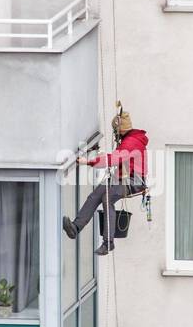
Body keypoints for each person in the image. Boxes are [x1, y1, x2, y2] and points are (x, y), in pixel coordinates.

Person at [62, 109, 148, 255]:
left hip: (134, 182)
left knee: (107, 196)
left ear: (120, 130)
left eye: (116, 131)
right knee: (96, 195)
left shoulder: (130, 142)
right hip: (123, 178)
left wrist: (88, 162)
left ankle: (108, 243)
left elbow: (113, 159)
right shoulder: (130, 140)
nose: (115, 134)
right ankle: (76, 228)